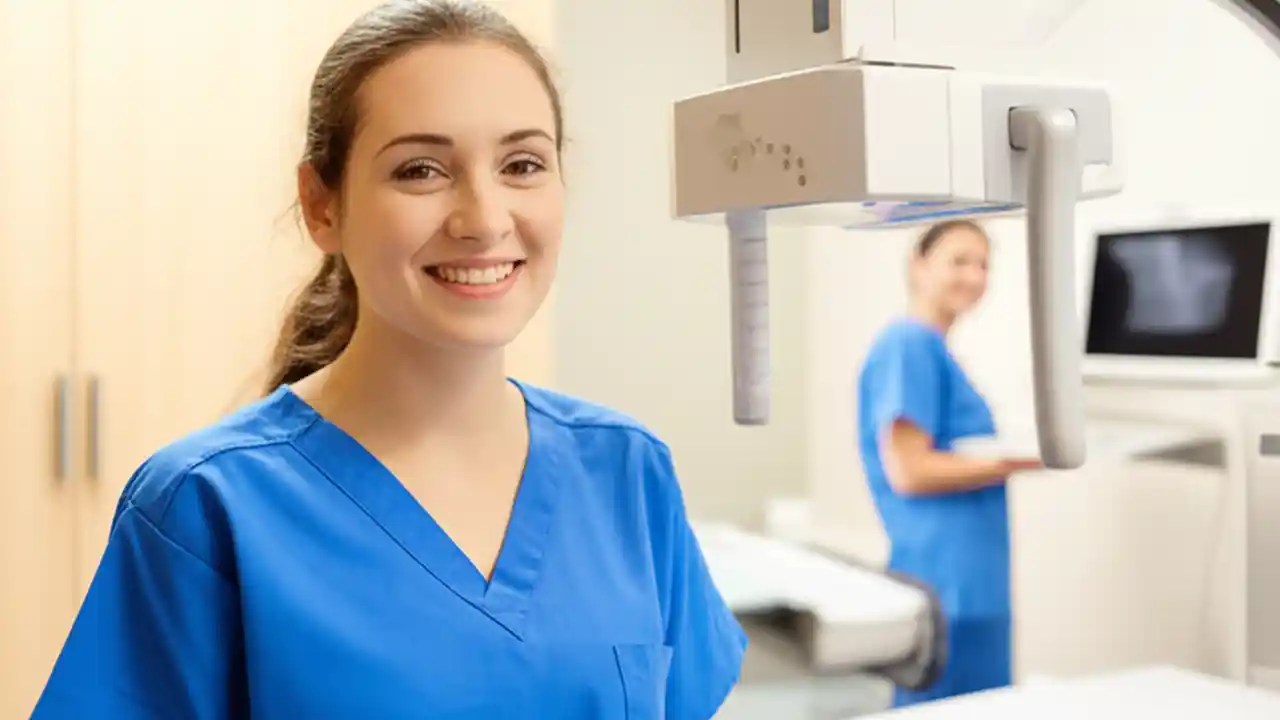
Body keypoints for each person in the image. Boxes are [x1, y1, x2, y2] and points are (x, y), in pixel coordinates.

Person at [32, 2, 746, 718]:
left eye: (522, 164)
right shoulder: (205, 506)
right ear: (322, 206)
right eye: (421, 170)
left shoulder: (626, 473)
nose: (485, 219)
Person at [856, 219, 1042, 707]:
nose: (975, 276)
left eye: (983, 264)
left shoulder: (936, 351)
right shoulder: (908, 345)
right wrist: (1018, 459)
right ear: (918, 266)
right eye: (959, 261)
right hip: (946, 584)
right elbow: (910, 471)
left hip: (973, 583)